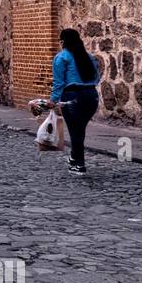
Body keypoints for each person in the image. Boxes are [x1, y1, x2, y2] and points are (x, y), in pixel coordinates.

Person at [51, 27, 101, 175]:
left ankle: (79, 165)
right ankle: (74, 158)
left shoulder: (61, 58)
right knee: (79, 130)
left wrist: (52, 101)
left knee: (75, 132)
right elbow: (97, 78)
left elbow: (58, 83)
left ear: (62, 42)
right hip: (91, 97)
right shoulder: (90, 57)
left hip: (72, 97)